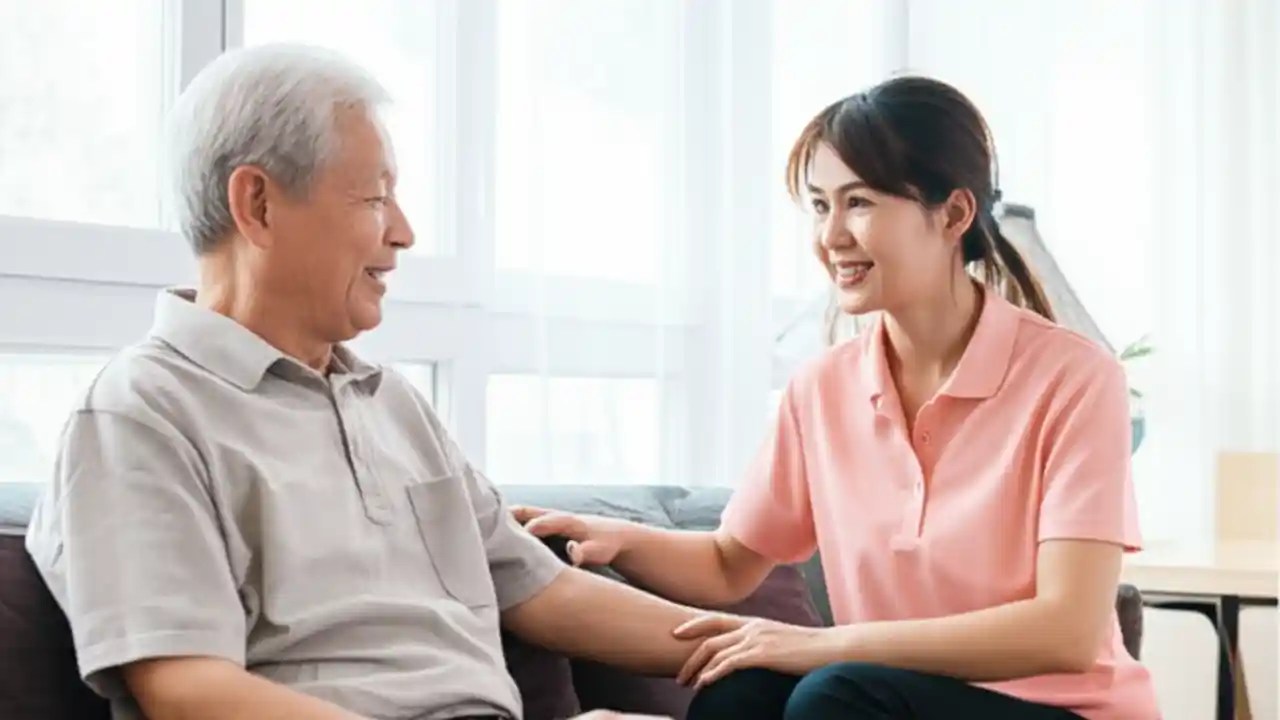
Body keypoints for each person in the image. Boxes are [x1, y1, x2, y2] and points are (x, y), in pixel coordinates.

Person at [24, 44, 693, 720]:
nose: (403, 233)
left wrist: (769, 641)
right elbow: (187, 689)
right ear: (256, 204)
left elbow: (540, 590)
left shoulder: (388, 400)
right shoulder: (139, 413)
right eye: (374, 197)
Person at [514, 77, 1161, 720]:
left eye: (859, 203)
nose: (831, 237)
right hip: (886, 695)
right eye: (820, 206)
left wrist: (824, 646)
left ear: (955, 215)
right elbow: (728, 564)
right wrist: (617, 540)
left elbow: (1066, 632)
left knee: (833, 694)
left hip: (1068, 710)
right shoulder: (822, 389)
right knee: (741, 690)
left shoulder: (1075, 378)